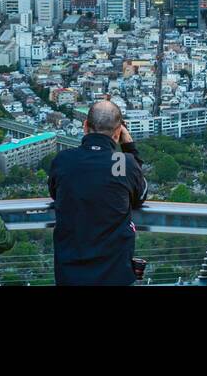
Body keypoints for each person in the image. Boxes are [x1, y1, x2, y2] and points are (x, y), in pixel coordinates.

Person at [48, 99, 147, 285]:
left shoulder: (64, 160)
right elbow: (139, 195)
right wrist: (129, 147)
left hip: (70, 272)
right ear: (118, 133)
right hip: (114, 272)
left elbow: (55, 194)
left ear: (85, 126)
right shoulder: (121, 162)